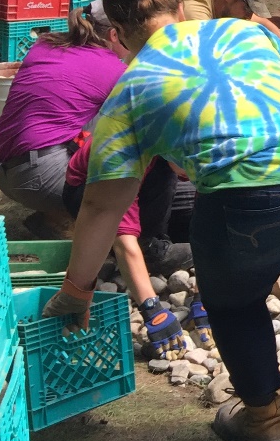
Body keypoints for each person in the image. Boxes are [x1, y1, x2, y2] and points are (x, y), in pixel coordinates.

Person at [41, 0, 280, 441]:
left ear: (120, 35)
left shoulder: (131, 90)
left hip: (253, 199)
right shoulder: (249, 32)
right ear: (179, 9)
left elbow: (102, 205)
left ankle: (264, 421)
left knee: (235, 303)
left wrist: (76, 288)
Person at [0, 3, 191, 271]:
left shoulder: (48, 45)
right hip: (39, 175)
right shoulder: (111, 69)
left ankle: (55, 218)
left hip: (3, 168)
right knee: (152, 143)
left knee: (106, 119)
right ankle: (148, 246)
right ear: (115, 35)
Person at [63, 131, 210, 360]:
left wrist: (208, 292)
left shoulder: (191, 141)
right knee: (127, 239)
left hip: (154, 163)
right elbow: (124, 242)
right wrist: (153, 310)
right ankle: (144, 249)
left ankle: (150, 239)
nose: (193, 171)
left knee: (187, 204)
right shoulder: (124, 151)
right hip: (88, 188)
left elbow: (208, 218)